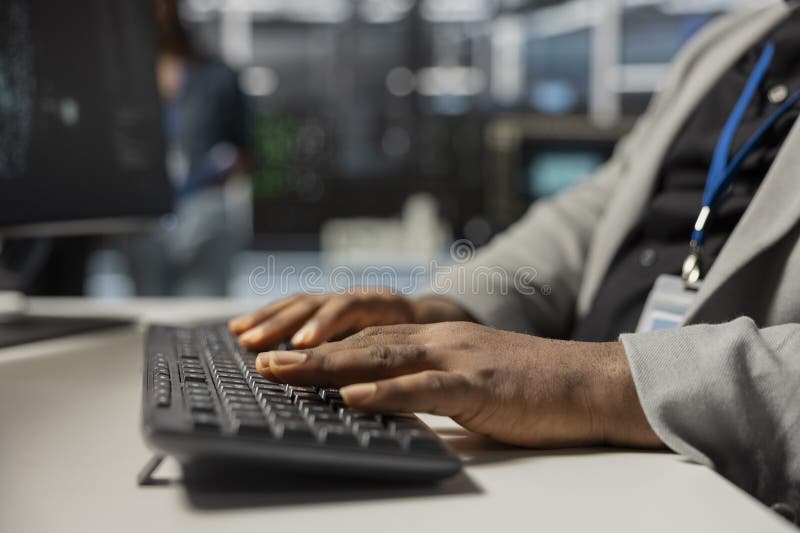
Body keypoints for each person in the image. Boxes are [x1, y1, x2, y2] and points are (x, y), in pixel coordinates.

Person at [231, 1, 800, 519]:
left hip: (711, 490)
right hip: (577, 456)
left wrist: (590, 383)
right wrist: (445, 307)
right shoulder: (739, 38)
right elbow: (602, 206)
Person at [131, 0, 251, 297]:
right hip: (145, 223)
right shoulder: (124, 79)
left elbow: (247, 149)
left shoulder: (218, 76)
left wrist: (214, 171)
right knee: (148, 316)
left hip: (205, 214)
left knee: (201, 315)